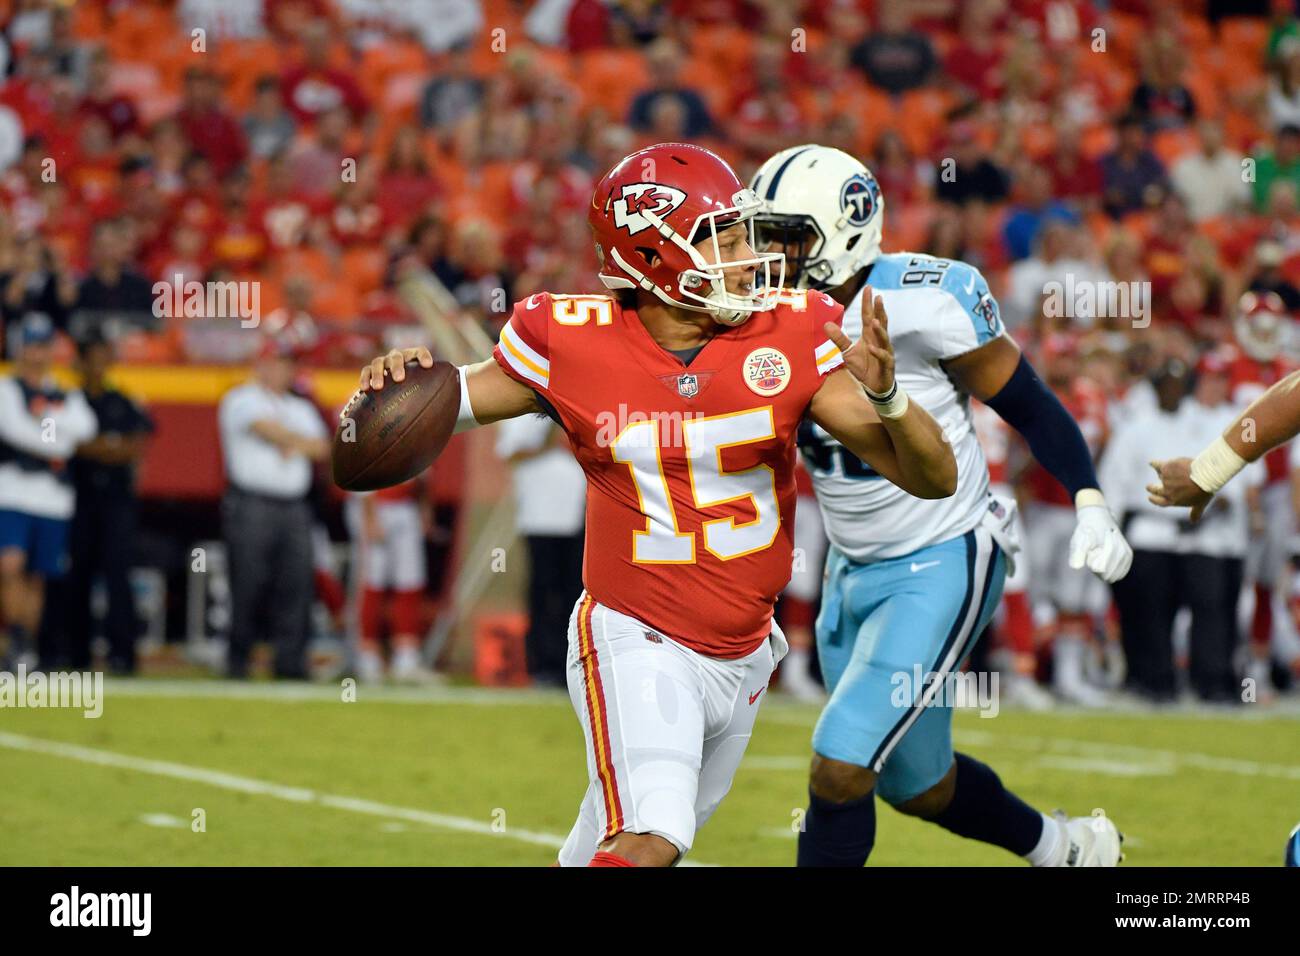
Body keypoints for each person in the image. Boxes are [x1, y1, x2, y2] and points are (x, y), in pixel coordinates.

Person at [355, 142, 957, 868]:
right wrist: (388, 396)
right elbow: (434, 409)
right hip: (634, 635)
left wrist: (891, 398)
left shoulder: (794, 333)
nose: (748, 251)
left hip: (743, 651)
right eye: (724, 234)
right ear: (653, 255)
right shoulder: (571, 340)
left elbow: (933, 478)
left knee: (601, 851)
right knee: (653, 840)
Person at [751, 143, 1130, 867]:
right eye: (766, 235)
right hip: (851, 565)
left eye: (789, 235)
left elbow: (1028, 402)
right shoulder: (767, 315)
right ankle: (1067, 849)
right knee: (919, 784)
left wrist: (1088, 499)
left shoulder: (929, 296)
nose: (773, 254)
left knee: (838, 764)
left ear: (841, 231)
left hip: (944, 552)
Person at [218, 337, 330, 679]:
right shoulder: (241, 398)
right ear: (262, 364)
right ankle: (239, 662)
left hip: (294, 507)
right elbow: (263, 429)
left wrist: (289, 441)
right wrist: (297, 442)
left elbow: (324, 448)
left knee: (296, 585)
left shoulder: (301, 407)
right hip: (252, 503)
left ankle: (291, 664)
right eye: (279, 362)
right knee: (248, 583)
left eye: (289, 363)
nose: (285, 370)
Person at [0, 312, 97, 670]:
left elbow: (86, 428)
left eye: (42, 346)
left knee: (39, 575)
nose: (36, 354)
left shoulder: (63, 391)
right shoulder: (7, 388)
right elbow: (16, 431)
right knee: (10, 565)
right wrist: (58, 434)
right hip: (10, 490)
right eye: (30, 346)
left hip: (53, 499)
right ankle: (17, 638)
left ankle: (25, 647)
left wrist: (44, 422)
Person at [57, 332, 154, 673]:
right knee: (76, 573)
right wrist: (108, 447)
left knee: (118, 573)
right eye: (92, 358)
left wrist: (93, 447)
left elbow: (137, 444)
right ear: (80, 362)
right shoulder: (67, 400)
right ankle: (76, 654)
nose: (99, 366)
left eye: (104, 357)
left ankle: (122, 655)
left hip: (116, 500)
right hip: (78, 498)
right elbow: (65, 443)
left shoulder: (122, 400)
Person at [495, 413, 586, 689]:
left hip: (579, 513)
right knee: (544, 593)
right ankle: (544, 666)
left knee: (575, 594)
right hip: (540, 517)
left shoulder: (576, 407)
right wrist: (549, 442)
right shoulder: (523, 412)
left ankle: (572, 665)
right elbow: (510, 453)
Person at [344, 479, 434, 684]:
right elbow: (362, 465)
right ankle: (367, 658)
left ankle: (406, 658)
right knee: (371, 582)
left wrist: (424, 506)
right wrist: (369, 513)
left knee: (410, 583)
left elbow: (422, 466)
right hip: (376, 504)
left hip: (406, 505)